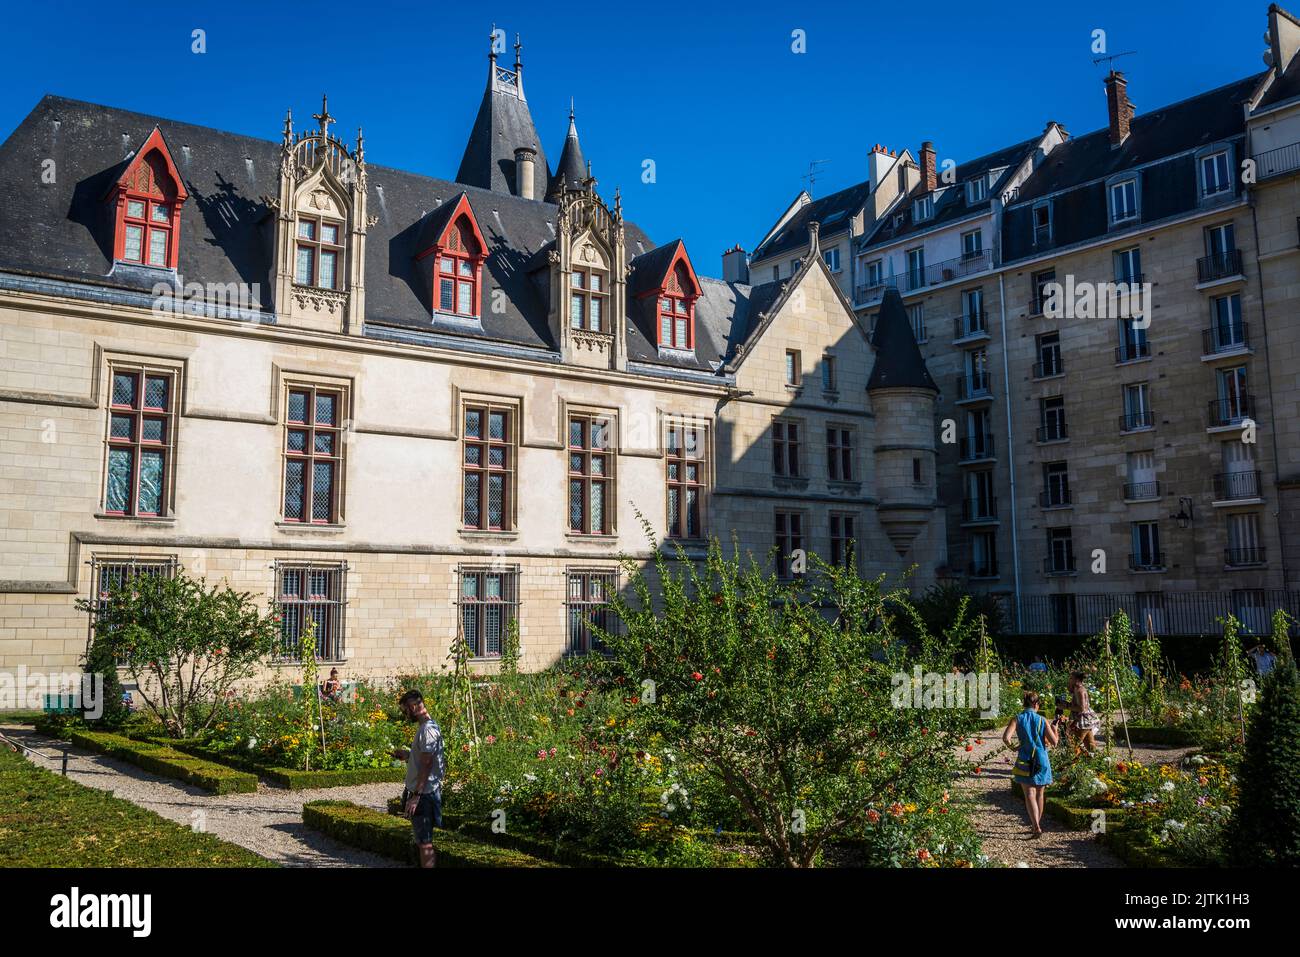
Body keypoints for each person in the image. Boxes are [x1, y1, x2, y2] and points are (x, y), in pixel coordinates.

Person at [390, 689, 445, 868]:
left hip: (425, 794)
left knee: (425, 843)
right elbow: (424, 758)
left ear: (413, 707)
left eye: (405, 710)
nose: (405, 715)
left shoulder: (428, 731)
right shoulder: (427, 727)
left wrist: (416, 796)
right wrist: (407, 755)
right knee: (423, 840)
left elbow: (427, 765)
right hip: (425, 792)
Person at [1002, 691, 1059, 837]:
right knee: (1040, 793)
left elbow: (1006, 738)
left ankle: (1035, 826)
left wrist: (1014, 747)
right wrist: (1055, 729)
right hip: (1041, 758)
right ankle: (1037, 825)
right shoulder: (1042, 720)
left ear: (1024, 704)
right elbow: (1054, 742)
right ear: (1036, 705)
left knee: (1029, 794)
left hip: (1025, 758)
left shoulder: (1017, 719)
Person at [1067, 671, 1100, 753]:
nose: (1069, 680)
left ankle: (1070, 763)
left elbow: (1082, 708)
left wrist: (1066, 706)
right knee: (1090, 745)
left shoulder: (1080, 690)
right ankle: (1098, 761)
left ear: (1077, 679)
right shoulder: (1076, 689)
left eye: (1071, 678)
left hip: (1082, 720)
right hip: (1084, 720)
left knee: (1074, 745)